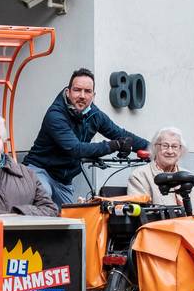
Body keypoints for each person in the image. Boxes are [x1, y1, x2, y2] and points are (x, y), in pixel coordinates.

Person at [22, 68, 148, 206]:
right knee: (43, 196)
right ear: (68, 92)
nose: (82, 95)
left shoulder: (94, 115)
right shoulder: (56, 115)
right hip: (40, 170)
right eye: (77, 90)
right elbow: (76, 149)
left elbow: (121, 134)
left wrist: (154, 149)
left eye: (87, 91)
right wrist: (114, 145)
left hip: (64, 181)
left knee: (72, 221)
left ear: (93, 95)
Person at [126, 127, 194, 218]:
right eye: (165, 146)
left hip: (190, 232)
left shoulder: (190, 177)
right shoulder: (140, 176)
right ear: (155, 148)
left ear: (180, 150)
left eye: (174, 146)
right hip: (159, 232)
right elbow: (141, 216)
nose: (170, 151)